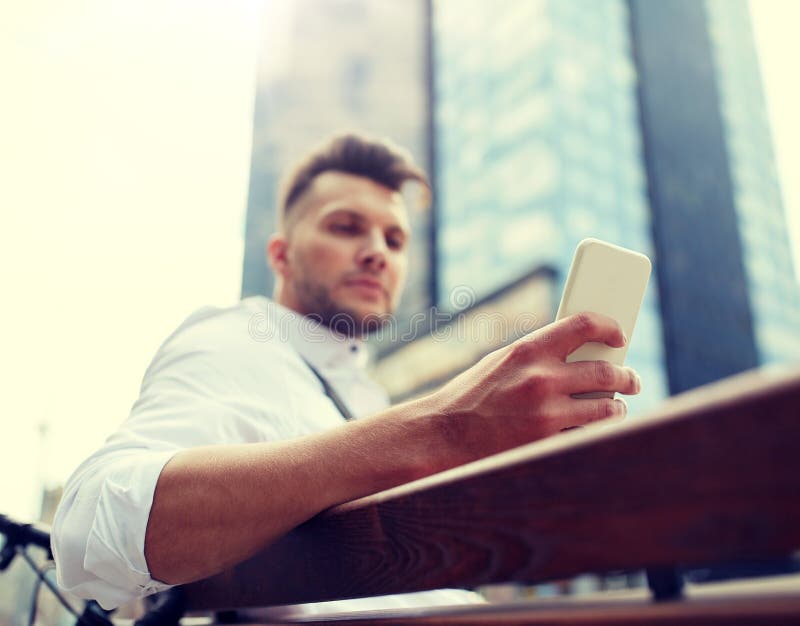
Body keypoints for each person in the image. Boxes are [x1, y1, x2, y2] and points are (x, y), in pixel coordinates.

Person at [52, 133, 641, 610]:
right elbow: (88, 530)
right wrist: (446, 427)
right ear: (281, 255)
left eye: (394, 237)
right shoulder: (233, 339)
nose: (377, 251)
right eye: (345, 227)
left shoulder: (365, 392)